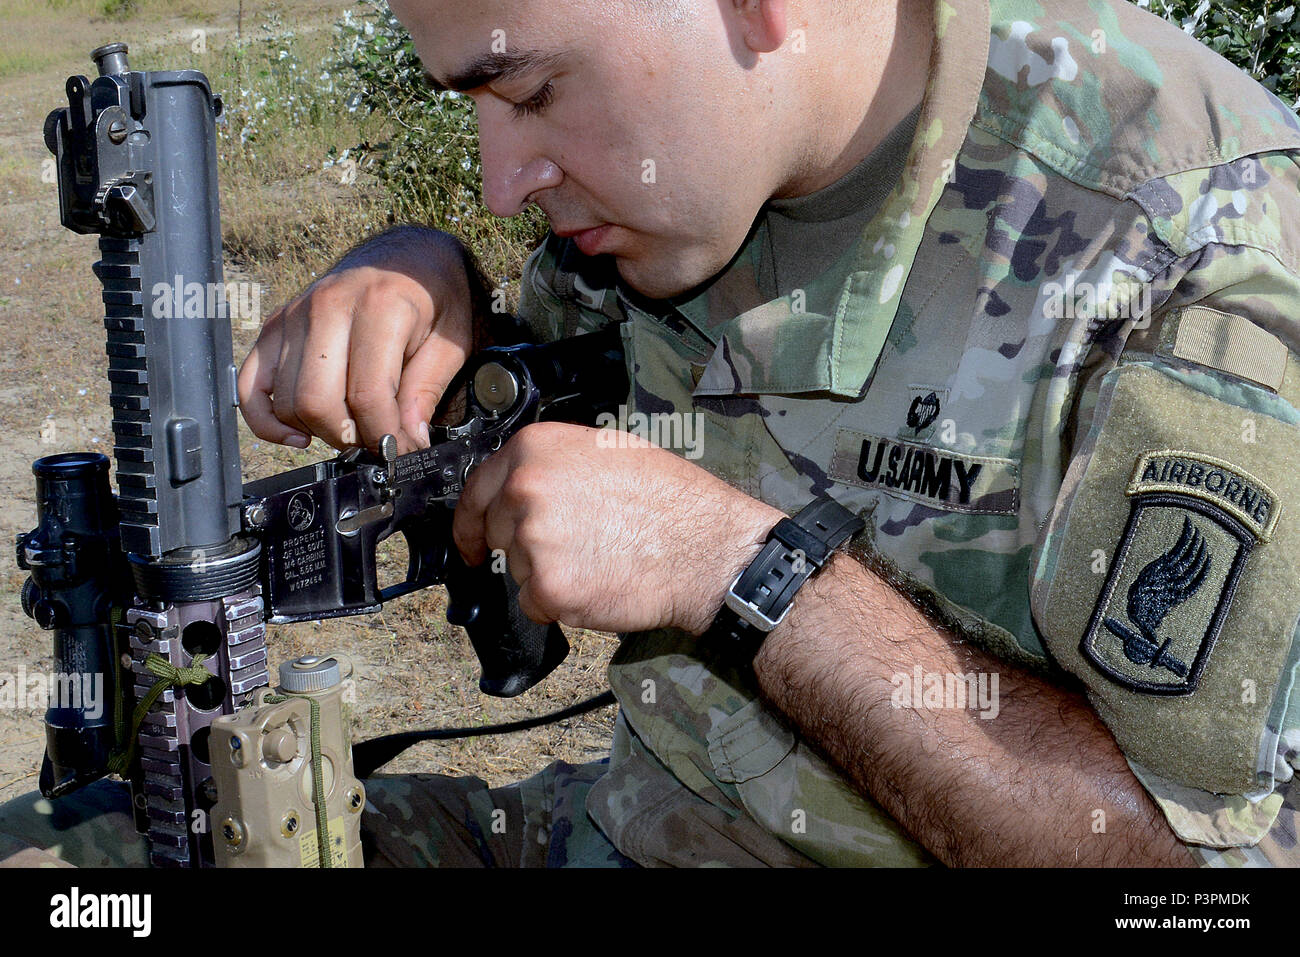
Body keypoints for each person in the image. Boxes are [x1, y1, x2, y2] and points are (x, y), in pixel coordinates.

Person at [3, 0, 1298, 868]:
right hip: (642, 827)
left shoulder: (1187, 229)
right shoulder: (674, 186)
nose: (505, 172)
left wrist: (742, 570)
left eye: (536, 91)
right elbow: (557, 388)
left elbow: (1188, 880)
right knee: (83, 868)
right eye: (472, 102)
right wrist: (426, 276)